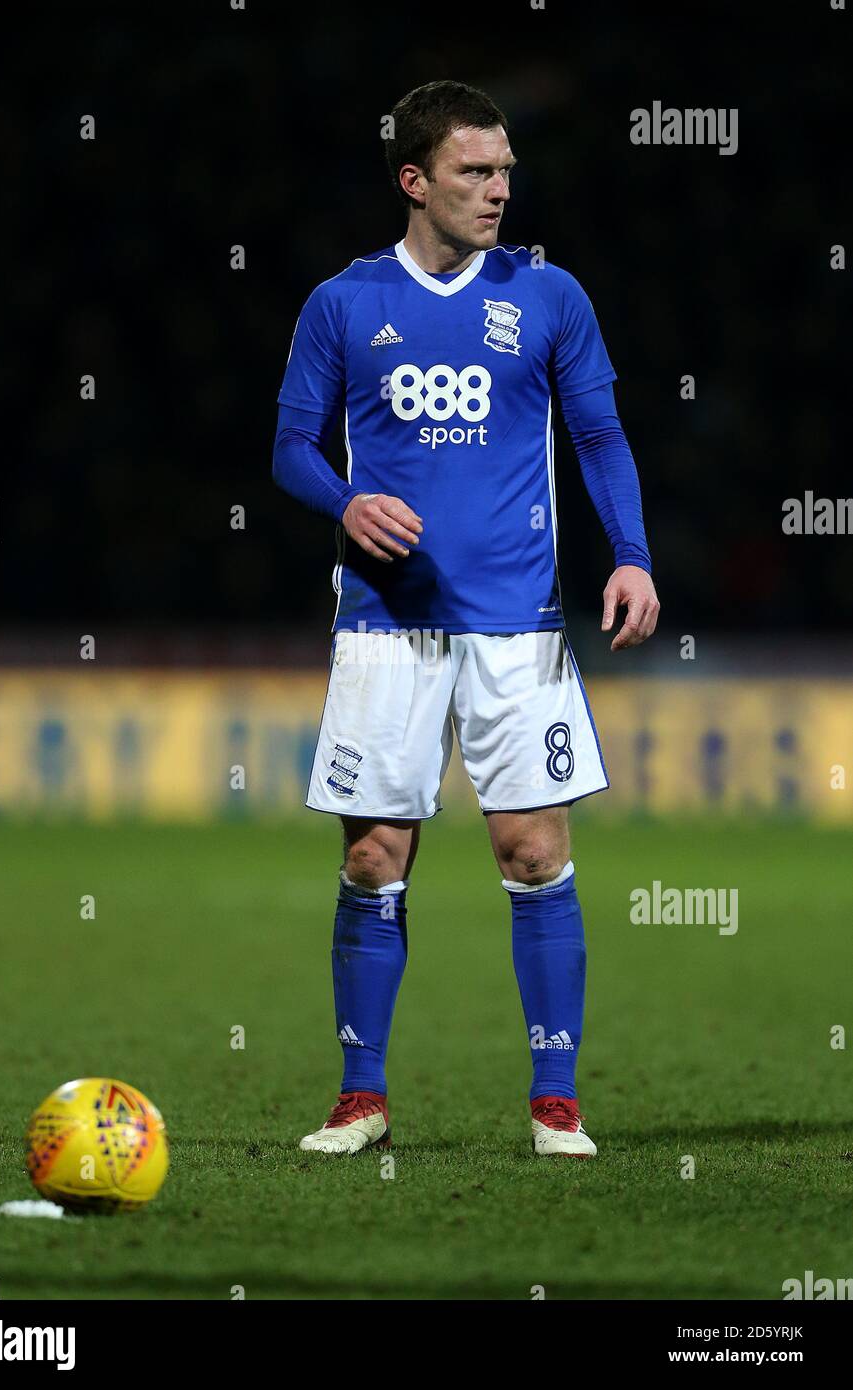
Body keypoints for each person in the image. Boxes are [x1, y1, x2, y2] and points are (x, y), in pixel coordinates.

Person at [272, 79, 659, 1158]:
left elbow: (598, 438)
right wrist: (344, 499)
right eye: (472, 173)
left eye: (503, 173)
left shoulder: (547, 297)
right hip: (383, 626)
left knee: (534, 849)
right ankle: (361, 1096)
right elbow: (291, 449)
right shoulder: (343, 303)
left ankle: (554, 1100)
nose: (496, 191)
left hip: (518, 623)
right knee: (372, 860)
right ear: (414, 181)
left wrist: (628, 556)